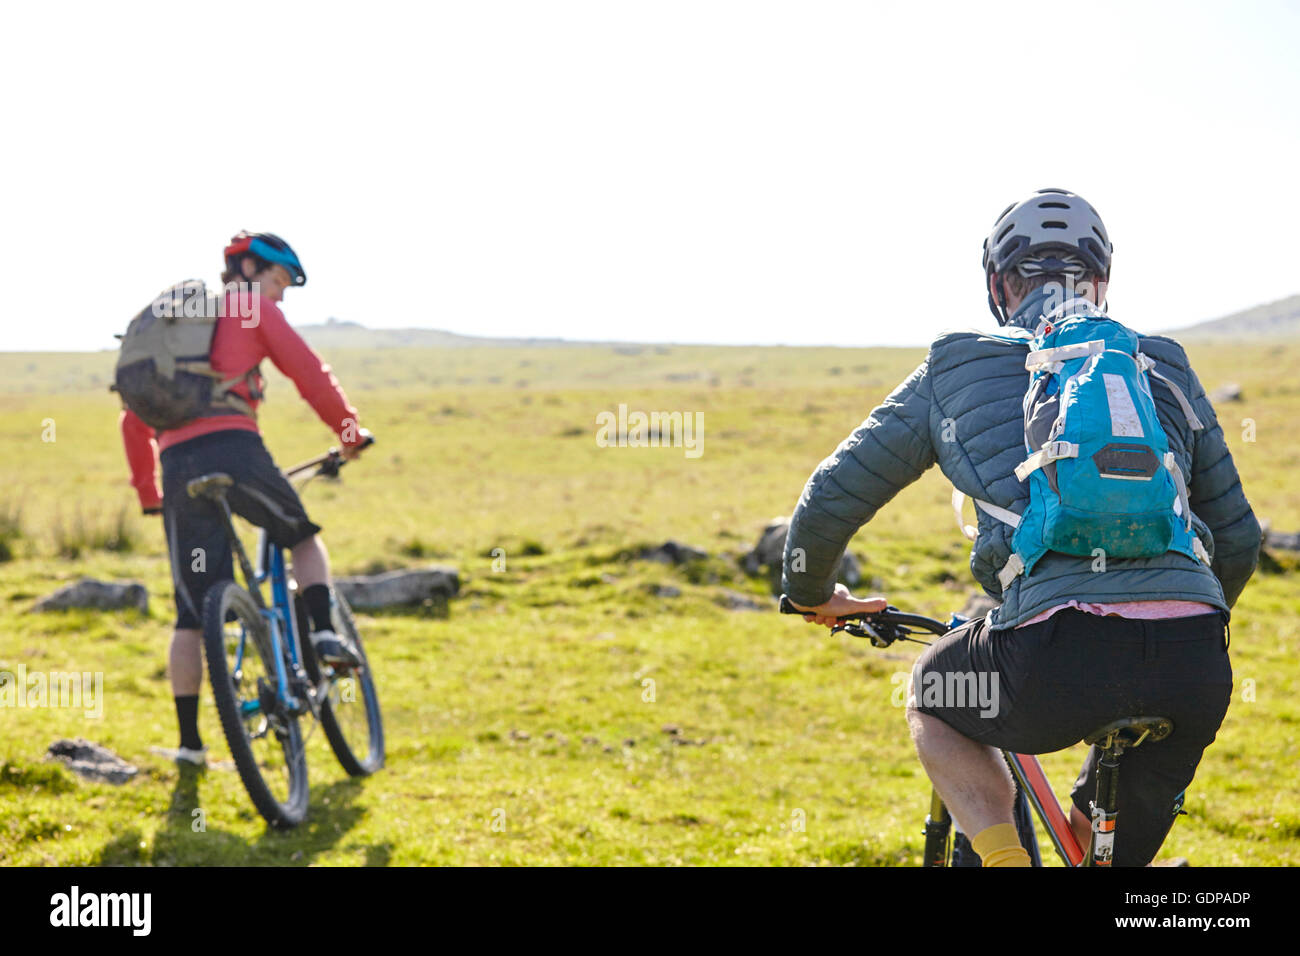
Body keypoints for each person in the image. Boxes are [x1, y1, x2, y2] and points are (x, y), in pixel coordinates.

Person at [781, 189, 1260, 866]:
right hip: (1194, 666)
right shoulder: (1163, 364)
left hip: (1050, 655)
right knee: (1107, 850)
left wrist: (810, 590)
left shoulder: (955, 364)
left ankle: (1006, 859)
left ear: (1000, 283)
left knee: (933, 690)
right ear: (1100, 281)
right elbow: (1237, 538)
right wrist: (1182, 621)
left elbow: (835, 493)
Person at [121, 231, 369, 767]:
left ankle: (190, 746)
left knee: (192, 611)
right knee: (300, 534)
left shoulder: (178, 330)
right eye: (280, 281)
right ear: (253, 269)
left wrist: (151, 495)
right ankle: (325, 634)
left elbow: (130, 419)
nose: (280, 296)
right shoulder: (250, 307)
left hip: (178, 466)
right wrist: (348, 433)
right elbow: (309, 372)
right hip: (236, 451)